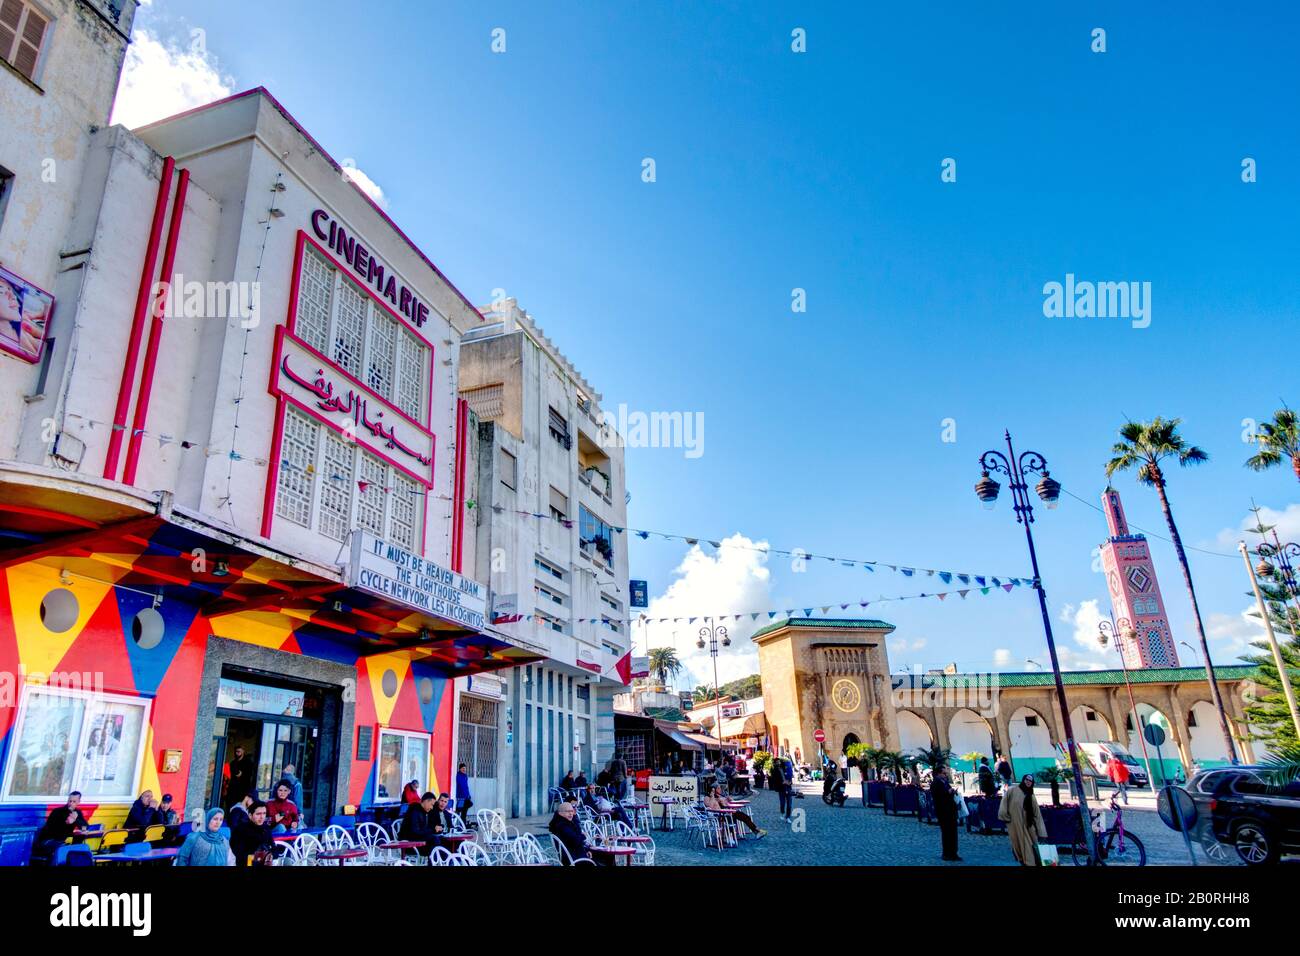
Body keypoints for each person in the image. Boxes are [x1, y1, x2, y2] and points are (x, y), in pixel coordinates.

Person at [998, 774, 1047, 866]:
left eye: (1030, 781)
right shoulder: (1012, 790)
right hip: (1015, 824)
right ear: (1023, 780)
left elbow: (1037, 813)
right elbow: (1004, 804)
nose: (1028, 782)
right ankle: (1023, 860)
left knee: (1031, 846)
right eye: (1027, 780)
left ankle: (1030, 863)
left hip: (1029, 825)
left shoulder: (1031, 795)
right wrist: (1005, 816)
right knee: (1017, 844)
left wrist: (1041, 831)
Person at [31, 791, 89, 864]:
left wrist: (76, 820)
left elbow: (85, 826)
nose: (71, 803)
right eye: (70, 801)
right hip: (47, 840)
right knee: (64, 848)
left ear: (78, 802)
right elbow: (52, 831)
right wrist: (66, 823)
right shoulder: (58, 812)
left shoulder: (77, 812)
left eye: (74, 801)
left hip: (61, 841)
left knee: (79, 847)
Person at [548, 800, 610, 866]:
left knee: (603, 856)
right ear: (560, 813)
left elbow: (575, 843)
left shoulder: (564, 823)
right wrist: (583, 836)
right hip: (573, 859)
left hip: (574, 856)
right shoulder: (563, 826)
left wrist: (586, 850)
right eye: (567, 811)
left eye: (572, 811)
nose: (570, 813)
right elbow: (575, 840)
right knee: (605, 857)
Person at [931, 767, 962, 862]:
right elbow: (938, 796)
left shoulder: (945, 782)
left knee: (953, 832)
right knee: (946, 833)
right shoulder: (936, 783)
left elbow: (949, 790)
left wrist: (952, 791)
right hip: (943, 811)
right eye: (944, 773)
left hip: (951, 810)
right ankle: (947, 853)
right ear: (938, 774)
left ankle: (954, 853)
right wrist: (947, 792)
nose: (946, 775)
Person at [230, 800, 274, 866]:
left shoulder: (266, 828)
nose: (262, 817)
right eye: (258, 814)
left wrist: (271, 854)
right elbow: (239, 854)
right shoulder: (241, 829)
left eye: (264, 813)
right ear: (250, 815)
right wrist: (260, 856)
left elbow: (273, 847)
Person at [400, 791, 442, 856]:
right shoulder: (415, 811)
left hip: (417, 841)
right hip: (409, 844)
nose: (432, 808)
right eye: (431, 804)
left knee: (441, 840)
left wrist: (434, 829)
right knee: (435, 841)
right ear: (426, 801)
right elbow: (415, 832)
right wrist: (433, 829)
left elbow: (423, 830)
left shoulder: (422, 811)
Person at [770, 754, 792, 822]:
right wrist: (782, 783)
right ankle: (782, 813)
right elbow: (774, 780)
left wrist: (789, 782)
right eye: (777, 762)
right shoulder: (774, 770)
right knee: (782, 802)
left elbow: (790, 775)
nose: (778, 763)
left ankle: (788, 817)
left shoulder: (785, 768)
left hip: (788, 787)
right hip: (781, 788)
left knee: (789, 803)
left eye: (779, 762)